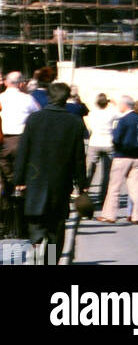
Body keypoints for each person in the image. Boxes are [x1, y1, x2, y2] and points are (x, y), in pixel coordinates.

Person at [13, 81, 88, 265]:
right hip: (60, 184)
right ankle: (51, 262)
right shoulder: (75, 123)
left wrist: (19, 179)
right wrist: (82, 184)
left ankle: (34, 257)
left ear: (49, 97)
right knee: (55, 229)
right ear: (66, 98)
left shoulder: (34, 119)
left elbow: (24, 151)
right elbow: (78, 158)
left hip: (34, 181)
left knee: (36, 225)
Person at [0, 71, 38, 238]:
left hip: (2, 141)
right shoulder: (28, 99)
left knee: (4, 181)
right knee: (21, 179)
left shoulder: (1, 98)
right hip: (22, 141)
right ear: (21, 83)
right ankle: (22, 223)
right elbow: (37, 116)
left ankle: (6, 221)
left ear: (7, 83)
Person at [98, 96, 138, 224]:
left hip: (122, 156)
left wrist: (117, 148)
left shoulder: (123, 120)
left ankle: (109, 215)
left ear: (125, 105)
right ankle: (137, 215)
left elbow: (116, 138)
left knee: (114, 188)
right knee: (135, 188)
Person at [85, 93, 116, 206]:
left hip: (95, 141)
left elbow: (90, 126)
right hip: (108, 142)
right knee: (107, 172)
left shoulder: (93, 113)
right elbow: (121, 115)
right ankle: (103, 197)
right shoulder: (111, 112)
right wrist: (113, 104)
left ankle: (85, 192)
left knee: (89, 169)